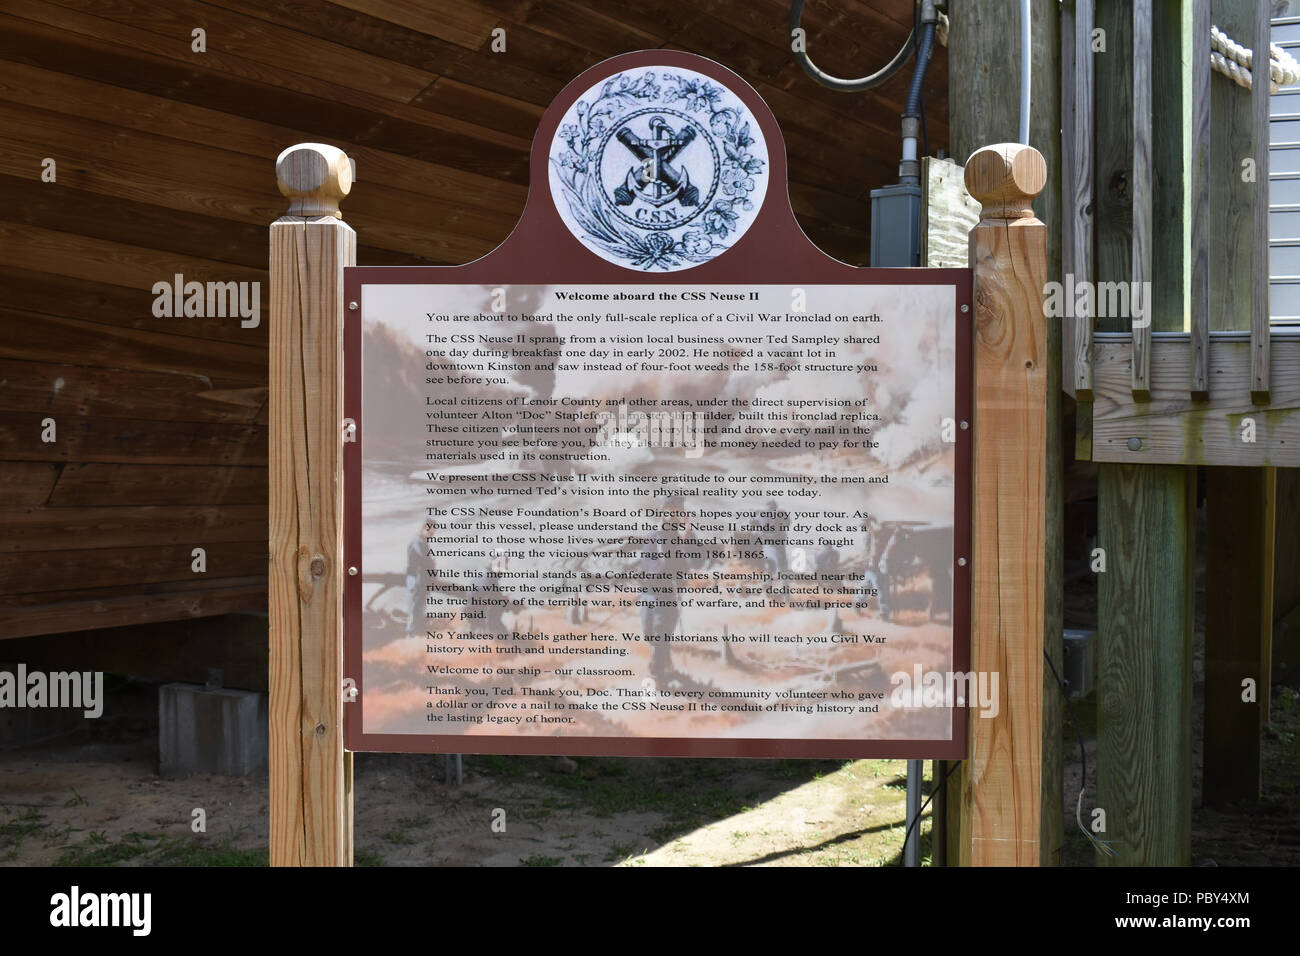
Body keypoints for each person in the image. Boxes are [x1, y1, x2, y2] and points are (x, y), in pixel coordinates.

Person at [860, 515, 899, 622]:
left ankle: (884, 615)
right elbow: (867, 552)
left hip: (879, 569)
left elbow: (890, 546)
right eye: (864, 526)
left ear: (871, 524)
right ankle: (856, 606)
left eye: (866, 525)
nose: (865, 528)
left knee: (882, 592)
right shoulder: (868, 536)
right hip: (870, 568)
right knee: (864, 589)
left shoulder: (882, 534)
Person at [755, 497, 790, 577]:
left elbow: (757, 524)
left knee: (771, 556)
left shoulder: (765, 514)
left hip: (772, 539)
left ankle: (772, 573)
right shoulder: (780, 513)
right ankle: (782, 573)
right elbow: (788, 523)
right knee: (781, 557)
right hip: (779, 538)